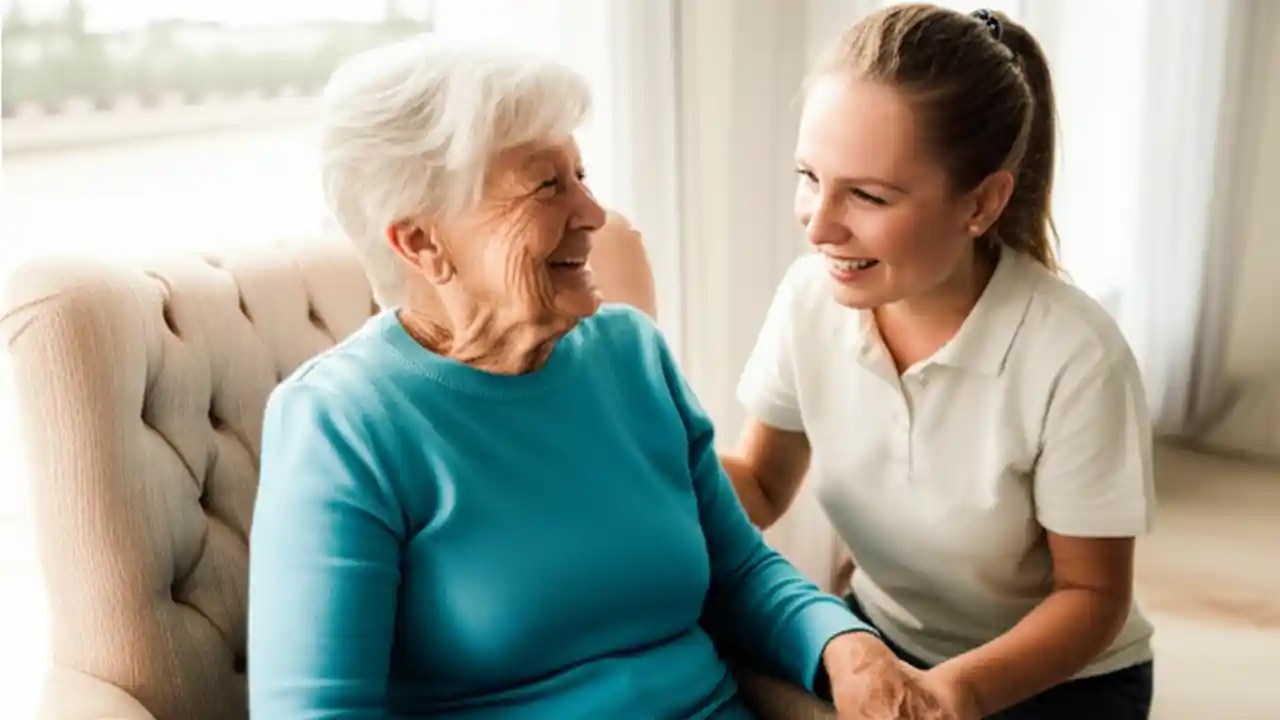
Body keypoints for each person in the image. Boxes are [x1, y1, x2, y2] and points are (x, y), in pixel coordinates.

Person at [247, 35, 948, 719]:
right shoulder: (341, 423)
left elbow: (739, 575)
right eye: (547, 186)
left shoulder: (630, 355)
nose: (591, 214)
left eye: (580, 175)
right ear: (422, 242)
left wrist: (845, 644)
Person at [723, 5, 1156, 719]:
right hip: (883, 636)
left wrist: (955, 693)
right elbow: (762, 485)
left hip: (1059, 680)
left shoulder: (1076, 356)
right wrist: (646, 463)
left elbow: (1093, 598)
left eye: (867, 194)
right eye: (809, 176)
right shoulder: (808, 299)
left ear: (981, 203)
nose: (819, 223)